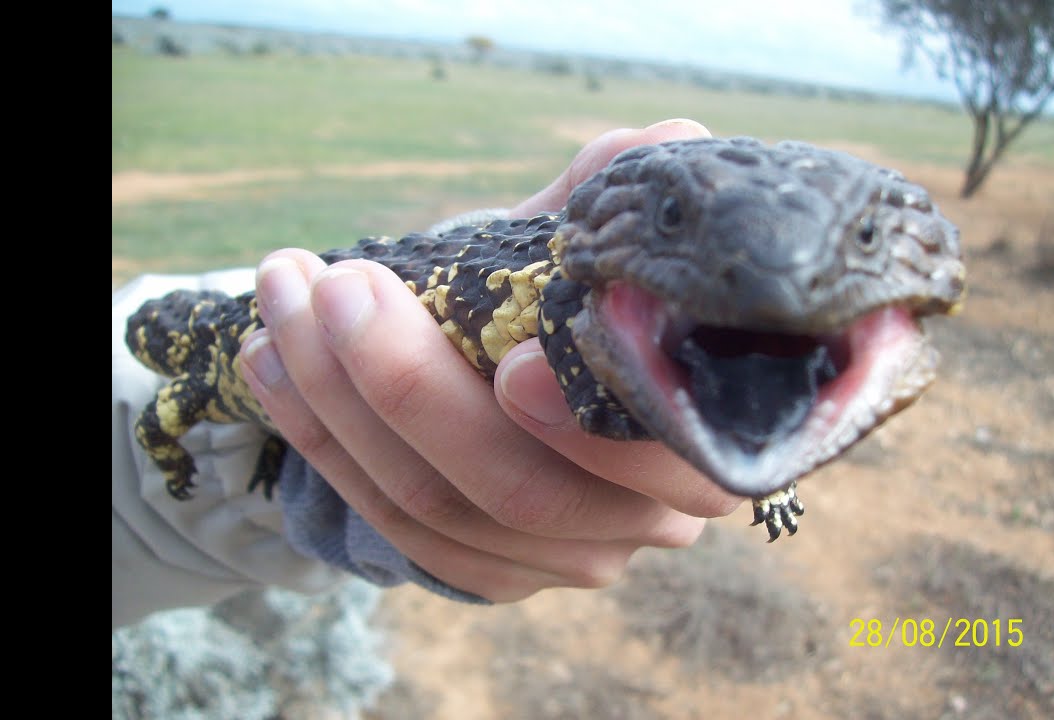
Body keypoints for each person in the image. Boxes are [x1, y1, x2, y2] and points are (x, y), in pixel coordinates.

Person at [112, 118, 742, 628]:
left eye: (153, 336)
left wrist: (193, 474)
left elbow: (157, 426)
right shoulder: (198, 375)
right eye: (149, 338)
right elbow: (155, 424)